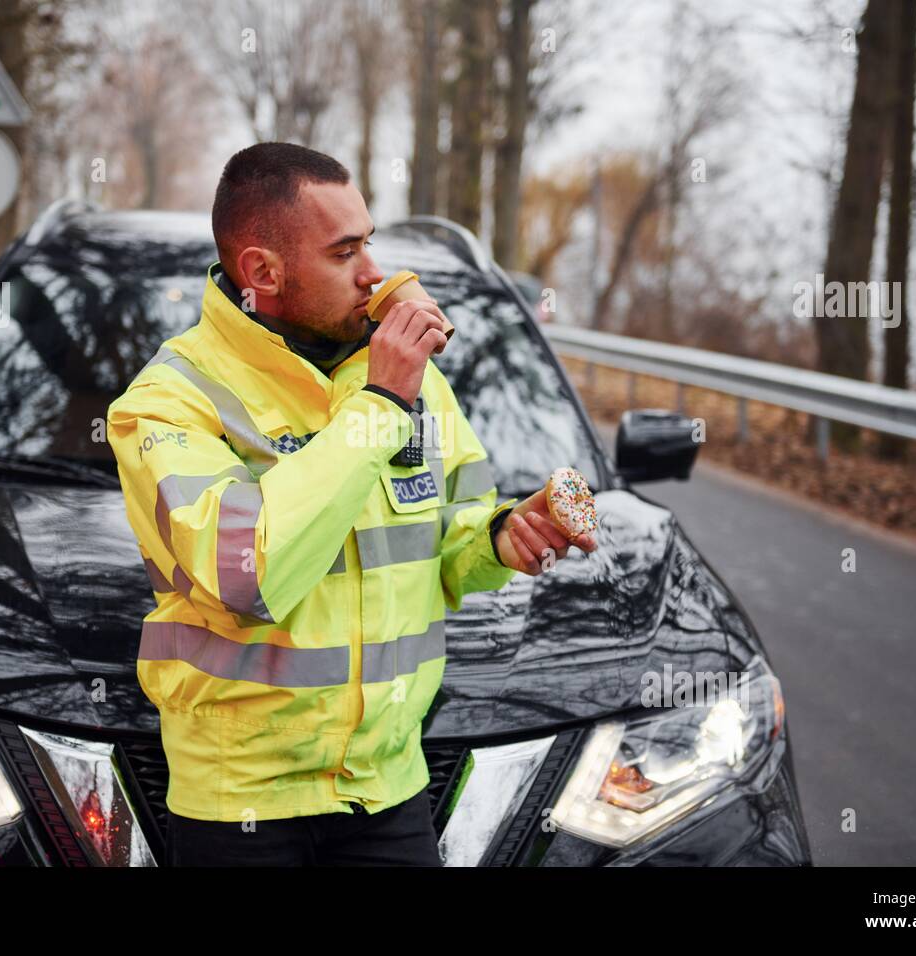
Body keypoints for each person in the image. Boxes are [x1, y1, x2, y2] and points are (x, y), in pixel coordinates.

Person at [106, 142, 596, 867]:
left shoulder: (413, 383)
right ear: (262, 273)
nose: (374, 274)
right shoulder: (167, 402)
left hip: (388, 790)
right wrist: (378, 407)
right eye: (344, 254)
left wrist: (499, 539)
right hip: (242, 804)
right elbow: (246, 579)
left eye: (370, 243)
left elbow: (450, 545)